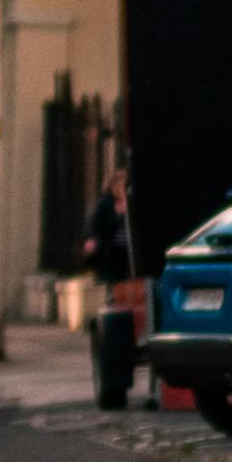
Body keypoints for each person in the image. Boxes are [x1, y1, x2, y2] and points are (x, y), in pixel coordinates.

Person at [81, 169, 140, 414]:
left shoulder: (134, 203)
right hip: (113, 260)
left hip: (132, 260)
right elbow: (95, 229)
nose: (121, 187)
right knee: (116, 300)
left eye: (124, 183)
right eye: (117, 183)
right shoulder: (105, 206)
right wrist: (93, 242)